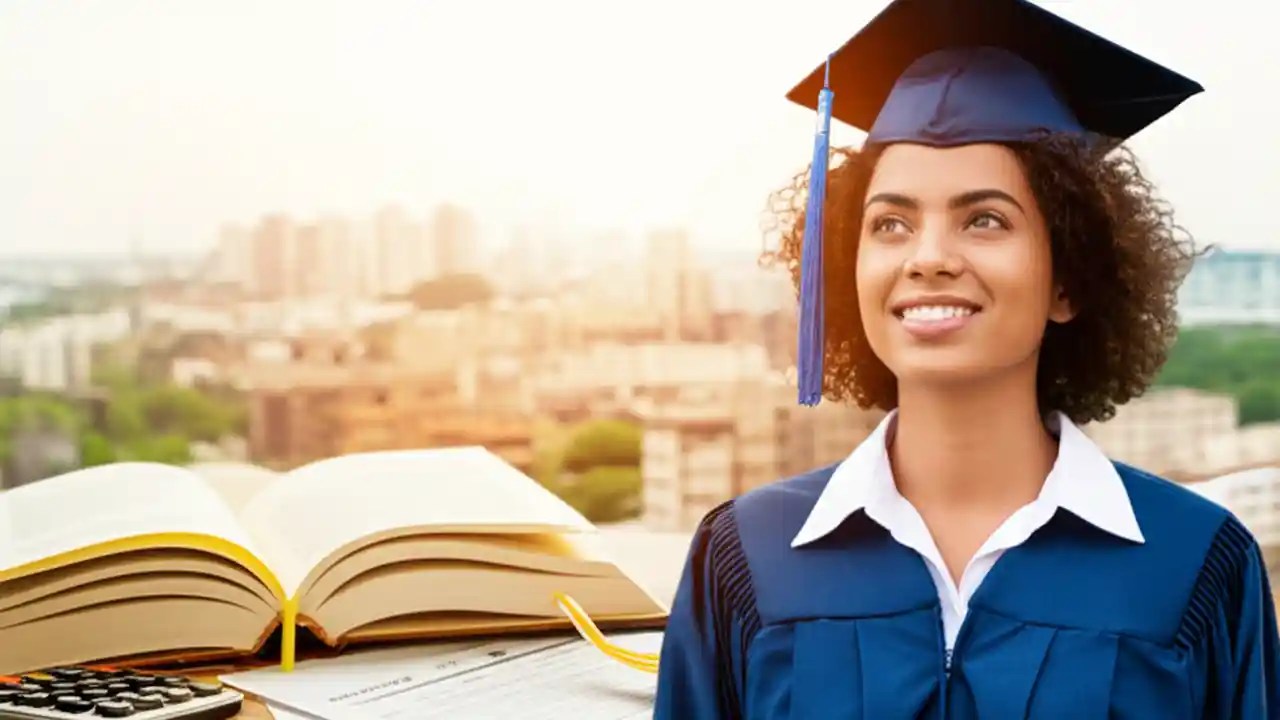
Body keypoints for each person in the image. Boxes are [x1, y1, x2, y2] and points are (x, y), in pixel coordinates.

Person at [652, 0, 1280, 717]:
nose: (928, 258)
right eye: (890, 223)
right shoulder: (749, 559)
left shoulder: (1192, 565)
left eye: (984, 219)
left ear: (1070, 279)